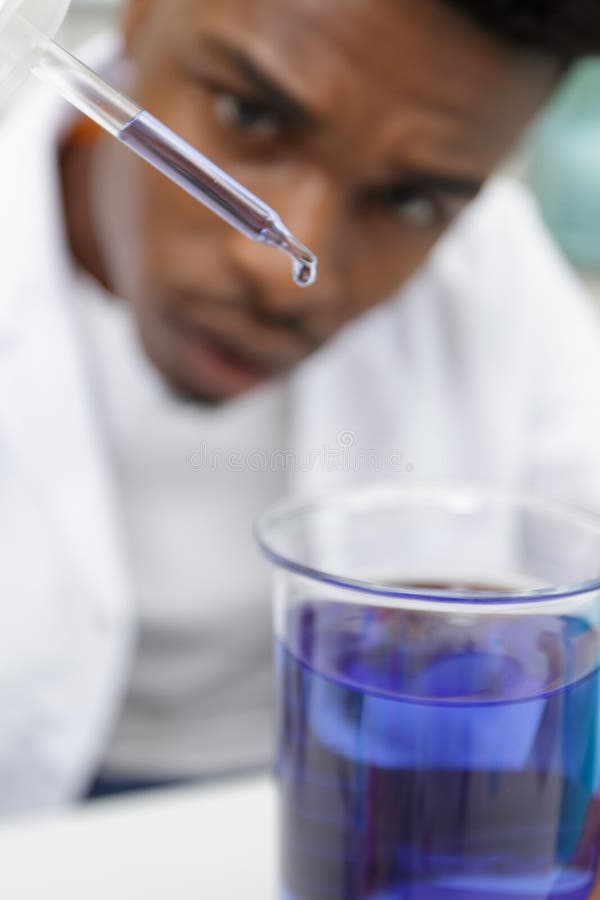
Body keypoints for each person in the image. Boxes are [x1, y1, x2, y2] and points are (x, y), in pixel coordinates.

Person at [1, 0, 600, 813]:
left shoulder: (498, 272)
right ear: (140, 13)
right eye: (249, 116)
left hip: (314, 811)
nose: (283, 279)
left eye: (411, 203)